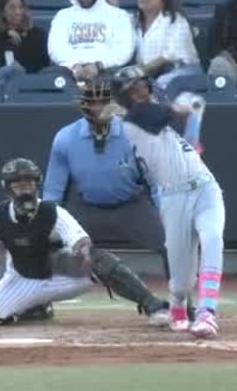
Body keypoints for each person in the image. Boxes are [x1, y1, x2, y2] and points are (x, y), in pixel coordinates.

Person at [0, 157, 170, 328]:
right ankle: (34, 308)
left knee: (99, 259)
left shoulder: (52, 211)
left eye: (29, 183)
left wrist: (83, 253)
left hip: (61, 276)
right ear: (8, 188)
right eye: (19, 184)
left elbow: (79, 238)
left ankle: (152, 304)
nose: (26, 189)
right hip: (21, 278)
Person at [109, 66, 226, 338]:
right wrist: (190, 105)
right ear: (127, 95)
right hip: (174, 198)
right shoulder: (137, 116)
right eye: (135, 86)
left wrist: (194, 117)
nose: (143, 88)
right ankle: (178, 304)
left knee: (212, 238)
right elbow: (177, 113)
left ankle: (208, 312)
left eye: (142, 84)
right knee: (182, 280)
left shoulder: (150, 118)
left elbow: (190, 143)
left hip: (205, 187)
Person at [43, 81, 171, 325]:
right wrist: (49, 224)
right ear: (82, 105)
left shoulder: (134, 132)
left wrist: (165, 212)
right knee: (44, 245)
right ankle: (35, 303)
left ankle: (183, 304)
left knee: (173, 242)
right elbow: (53, 189)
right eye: (92, 102)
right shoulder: (65, 138)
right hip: (87, 208)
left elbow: (154, 180)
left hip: (132, 205)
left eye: (104, 102)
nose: (98, 108)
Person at [47, 0, 136, 78]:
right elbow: (56, 48)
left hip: (106, 71)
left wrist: (98, 66)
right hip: (70, 71)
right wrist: (74, 65)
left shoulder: (118, 15)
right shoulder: (63, 16)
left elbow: (123, 51)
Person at [133, 0, 199, 90]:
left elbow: (168, 56)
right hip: (147, 74)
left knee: (163, 82)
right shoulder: (133, 21)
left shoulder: (176, 20)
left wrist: (140, 72)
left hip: (181, 71)